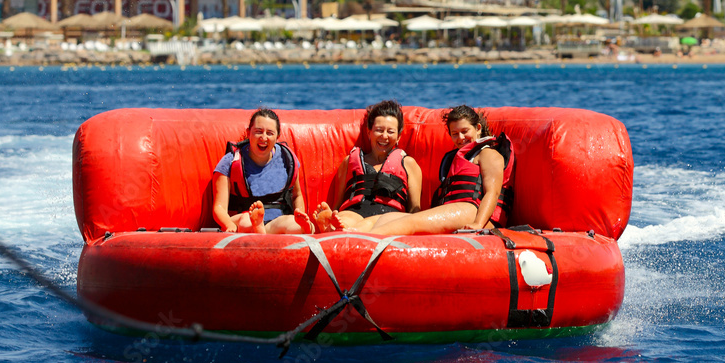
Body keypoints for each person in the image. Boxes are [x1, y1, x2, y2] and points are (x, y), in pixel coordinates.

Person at [344, 105, 514, 236]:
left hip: (475, 213)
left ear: (477, 128)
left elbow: (493, 191)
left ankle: (360, 240)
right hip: (458, 211)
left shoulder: (488, 154)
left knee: (411, 223)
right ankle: (348, 234)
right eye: (454, 134)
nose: (460, 138)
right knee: (386, 218)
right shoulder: (460, 157)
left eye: (465, 131)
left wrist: (478, 224)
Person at [313, 100, 422, 231]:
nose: (384, 136)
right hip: (353, 211)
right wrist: (334, 213)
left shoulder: (409, 164)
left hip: (389, 217)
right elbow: (338, 203)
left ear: (398, 136)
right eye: (379, 130)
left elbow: (414, 209)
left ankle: (347, 232)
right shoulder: (349, 162)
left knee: (375, 221)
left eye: (391, 132)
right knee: (345, 217)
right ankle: (334, 227)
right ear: (369, 132)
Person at [212, 108, 314, 234]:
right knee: (246, 221)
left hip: (276, 222)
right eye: (258, 132)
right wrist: (228, 225)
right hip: (244, 220)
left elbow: (297, 195)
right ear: (248, 133)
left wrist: (299, 214)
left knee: (290, 223)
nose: (264, 137)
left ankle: (266, 231)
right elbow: (219, 207)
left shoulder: (288, 159)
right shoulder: (230, 161)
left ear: (277, 136)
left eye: (270, 133)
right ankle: (258, 228)